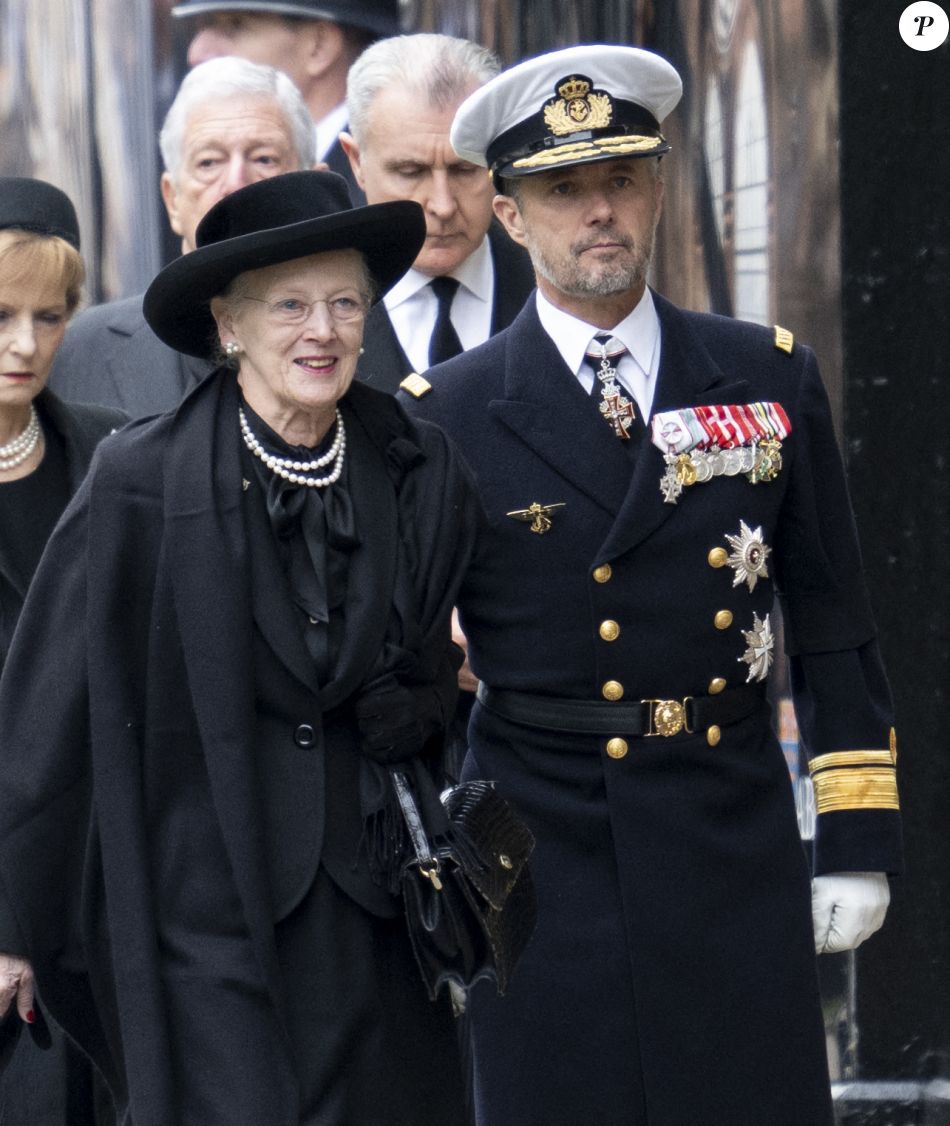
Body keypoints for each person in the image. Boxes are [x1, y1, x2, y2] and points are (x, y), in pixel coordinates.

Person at [400, 44, 901, 1126]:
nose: (598, 212)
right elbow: (404, 666)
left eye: (620, 179)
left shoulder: (763, 373)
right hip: (536, 853)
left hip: (726, 830)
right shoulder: (443, 410)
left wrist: (853, 839)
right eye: (563, 189)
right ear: (509, 214)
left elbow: (830, 622)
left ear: (661, 190)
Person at [0, 170, 476, 1124]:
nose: (324, 330)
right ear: (230, 325)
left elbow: (445, 664)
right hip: (206, 916)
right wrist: (14, 922)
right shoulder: (141, 479)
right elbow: (47, 715)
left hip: (379, 911)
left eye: (345, 302)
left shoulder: (413, 463)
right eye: (292, 305)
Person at [0, 179, 125, 1123]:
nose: (25, 345)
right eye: (0, 315)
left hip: (101, 899)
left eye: (50, 316)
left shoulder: (112, 458)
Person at [49, 55, 316, 418]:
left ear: (313, 182)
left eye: (264, 159)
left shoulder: (359, 339)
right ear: (172, 199)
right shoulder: (80, 351)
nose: (236, 184)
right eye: (209, 162)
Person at [340, 33, 536, 394]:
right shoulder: (307, 313)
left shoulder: (558, 292)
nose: (442, 205)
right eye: (410, 172)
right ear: (357, 162)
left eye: (465, 170)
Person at [174, 0, 398, 203]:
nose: (195, 53)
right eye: (199, 28)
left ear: (319, 46)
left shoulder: (380, 187)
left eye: (235, 25)